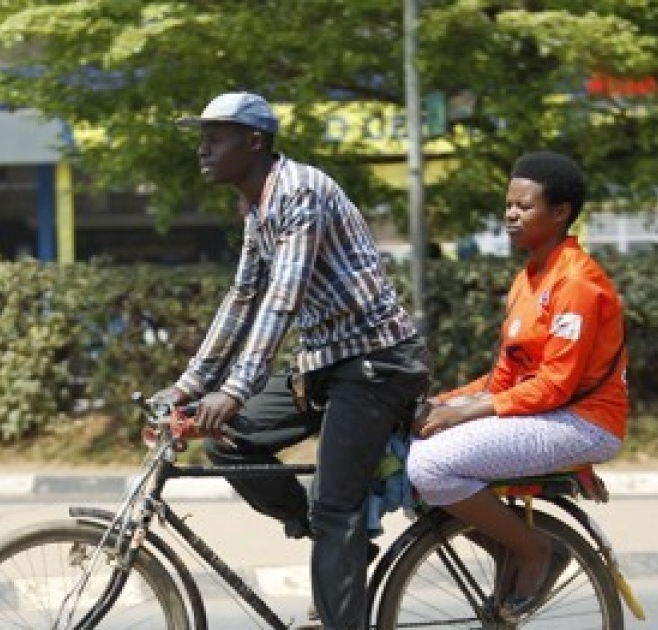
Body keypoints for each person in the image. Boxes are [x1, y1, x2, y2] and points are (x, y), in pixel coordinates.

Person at [155, 92, 431, 630]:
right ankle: (342, 549)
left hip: (376, 363)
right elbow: (242, 299)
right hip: (326, 365)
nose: (203, 148)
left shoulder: (300, 190)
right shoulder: (259, 207)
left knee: (335, 510)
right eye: (201, 137)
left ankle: (338, 555)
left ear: (255, 141)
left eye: (217, 136)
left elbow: (282, 298)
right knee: (228, 442)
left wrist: (233, 389)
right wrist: (187, 387)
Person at [406, 151, 628, 621]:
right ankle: (509, 545)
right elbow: (504, 378)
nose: (510, 215)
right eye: (507, 205)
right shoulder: (528, 278)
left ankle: (536, 552)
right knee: (401, 448)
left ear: (560, 212)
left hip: (581, 421)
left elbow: (555, 387)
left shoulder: (578, 283)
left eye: (523, 207)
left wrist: (462, 414)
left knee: (430, 464)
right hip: (542, 412)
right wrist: (436, 404)